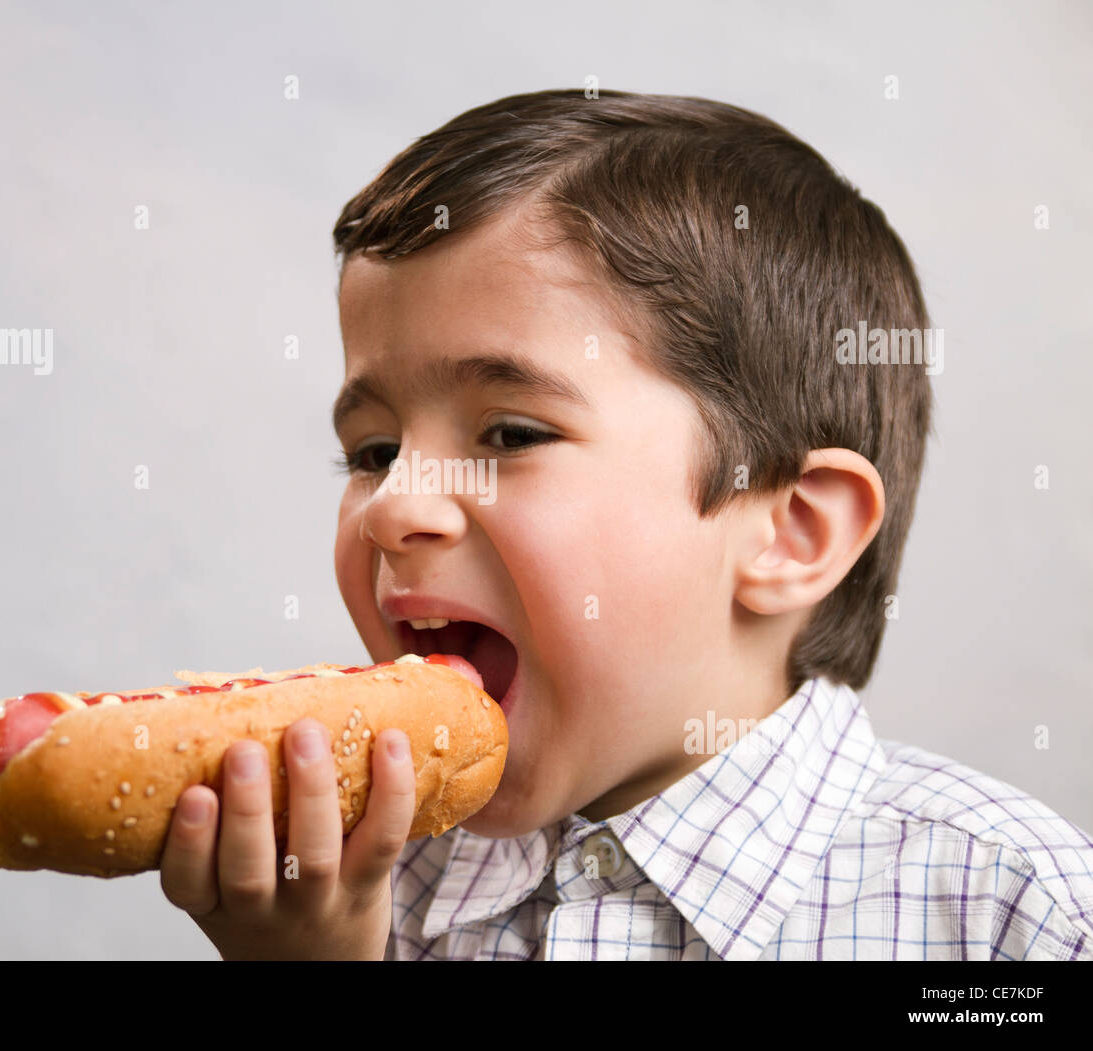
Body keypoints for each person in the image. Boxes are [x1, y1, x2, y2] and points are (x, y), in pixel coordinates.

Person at [159, 89, 1093, 960]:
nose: (396, 503)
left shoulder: (1004, 911)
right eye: (371, 452)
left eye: (512, 432)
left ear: (791, 532)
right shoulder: (338, 890)